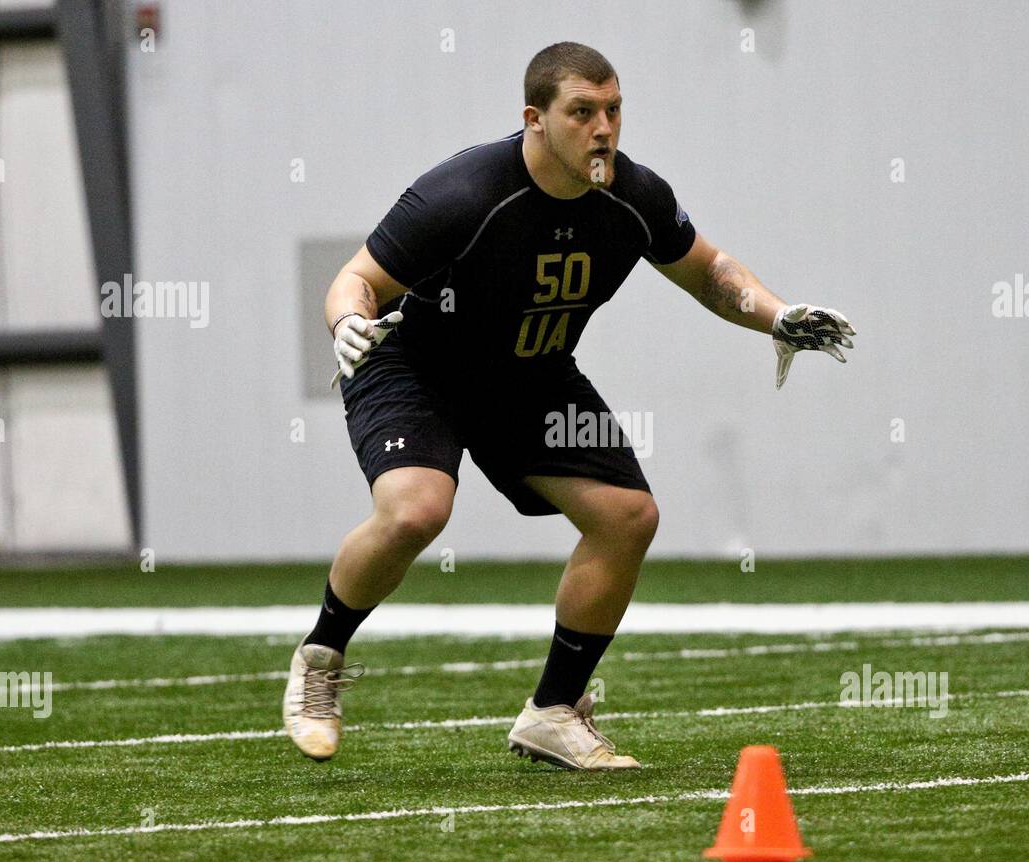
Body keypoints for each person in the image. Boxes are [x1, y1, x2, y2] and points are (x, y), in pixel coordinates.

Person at [283, 41, 855, 769]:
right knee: (416, 510)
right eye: (582, 112)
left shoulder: (633, 195)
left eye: (613, 110)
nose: (603, 129)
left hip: (532, 376)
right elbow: (355, 279)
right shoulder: (463, 194)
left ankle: (553, 712)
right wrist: (346, 321)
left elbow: (708, 270)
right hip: (415, 364)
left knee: (627, 516)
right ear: (535, 119)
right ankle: (322, 658)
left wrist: (775, 316)